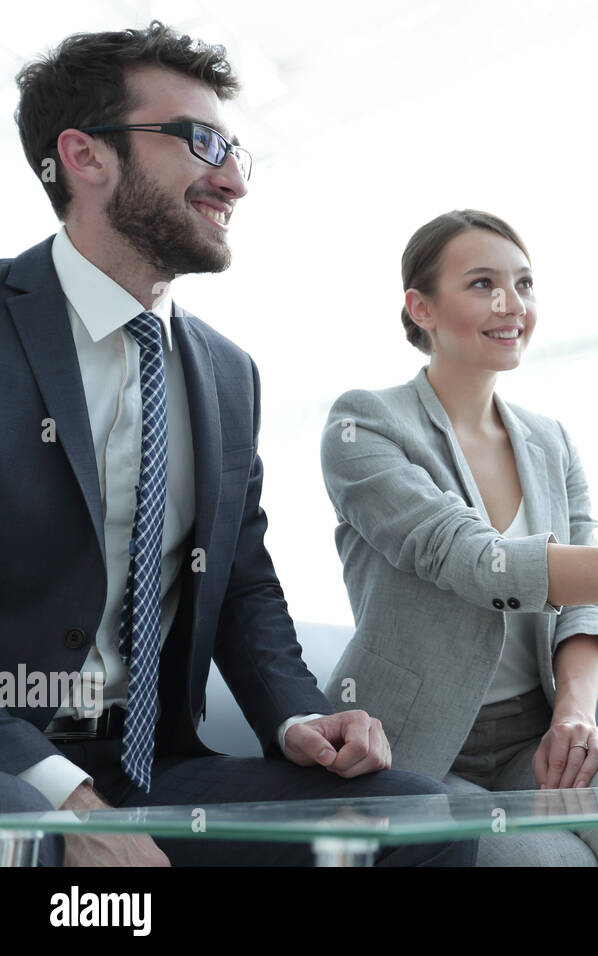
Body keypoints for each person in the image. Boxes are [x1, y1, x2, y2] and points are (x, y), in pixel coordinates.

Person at [0, 22, 474, 867]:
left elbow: (243, 581)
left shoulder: (225, 372)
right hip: (13, 770)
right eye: (200, 141)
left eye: (235, 150)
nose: (232, 181)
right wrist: (59, 803)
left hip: (155, 769)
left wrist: (296, 717)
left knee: (421, 823)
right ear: (84, 155)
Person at [319, 209, 598, 865]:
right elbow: (479, 564)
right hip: (413, 743)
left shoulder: (550, 442)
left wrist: (574, 715)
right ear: (420, 307)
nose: (513, 305)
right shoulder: (364, 426)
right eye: (483, 284)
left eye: (525, 283)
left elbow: (580, 600)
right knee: (542, 859)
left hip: (527, 734)